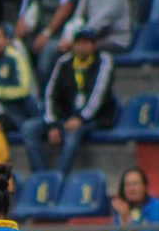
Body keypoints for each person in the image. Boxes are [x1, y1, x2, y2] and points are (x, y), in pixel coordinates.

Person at [21, 27, 115, 176]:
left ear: (94, 45)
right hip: (64, 116)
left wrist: (80, 117)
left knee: (72, 135)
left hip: (93, 117)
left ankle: (59, 177)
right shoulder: (64, 62)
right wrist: (52, 123)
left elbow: (99, 93)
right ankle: (40, 177)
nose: (82, 46)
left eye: (86, 42)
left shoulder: (104, 60)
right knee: (29, 128)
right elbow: (50, 93)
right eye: (78, 43)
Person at [15, 0, 84, 84]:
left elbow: (65, 9)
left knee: (47, 52)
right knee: (15, 45)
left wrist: (46, 34)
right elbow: (22, 17)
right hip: (38, 33)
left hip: (63, 35)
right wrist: (17, 38)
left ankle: (45, 94)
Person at [58, 0, 131, 54]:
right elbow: (77, 18)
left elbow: (98, 21)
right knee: (60, 48)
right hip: (94, 37)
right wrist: (67, 37)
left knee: (81, 49)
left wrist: (75, 40)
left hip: (115, 40)